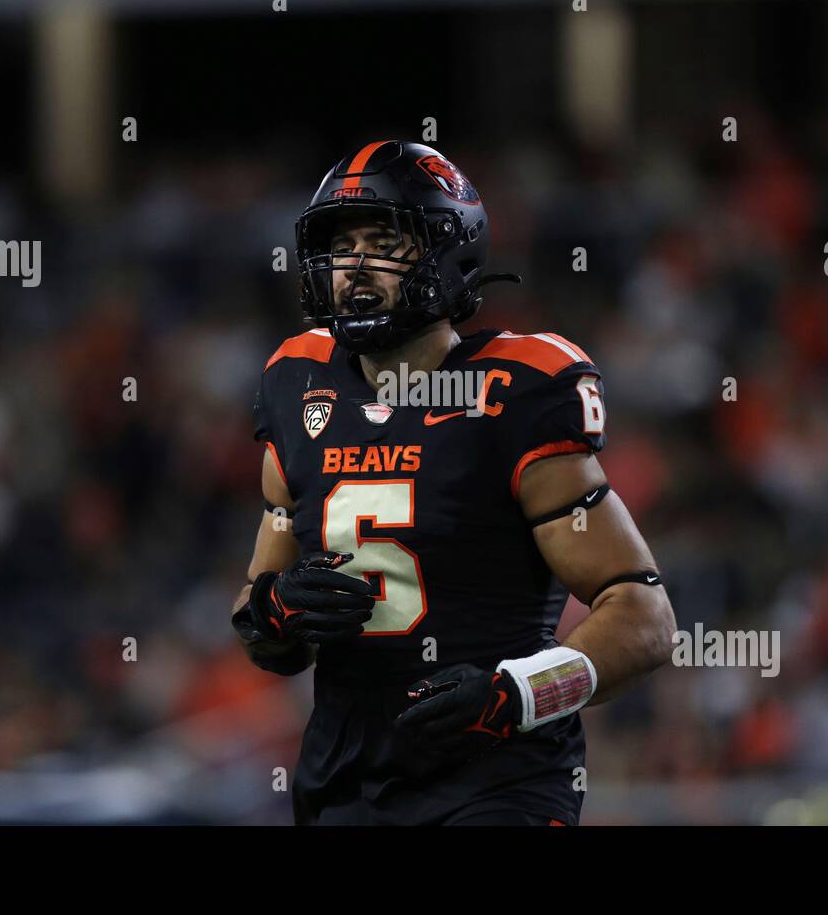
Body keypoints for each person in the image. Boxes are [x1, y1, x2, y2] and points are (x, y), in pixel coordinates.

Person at [231, 140, 676, 825]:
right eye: (340, 244)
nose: (354, 266)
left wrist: (518, 693)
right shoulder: (297, 382)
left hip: (497, 781)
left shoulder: (516, 389)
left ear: (447, 251)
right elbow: (264, 629)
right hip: (346, 779)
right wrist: (277, 610)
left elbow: (645, 620)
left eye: (382, 240)